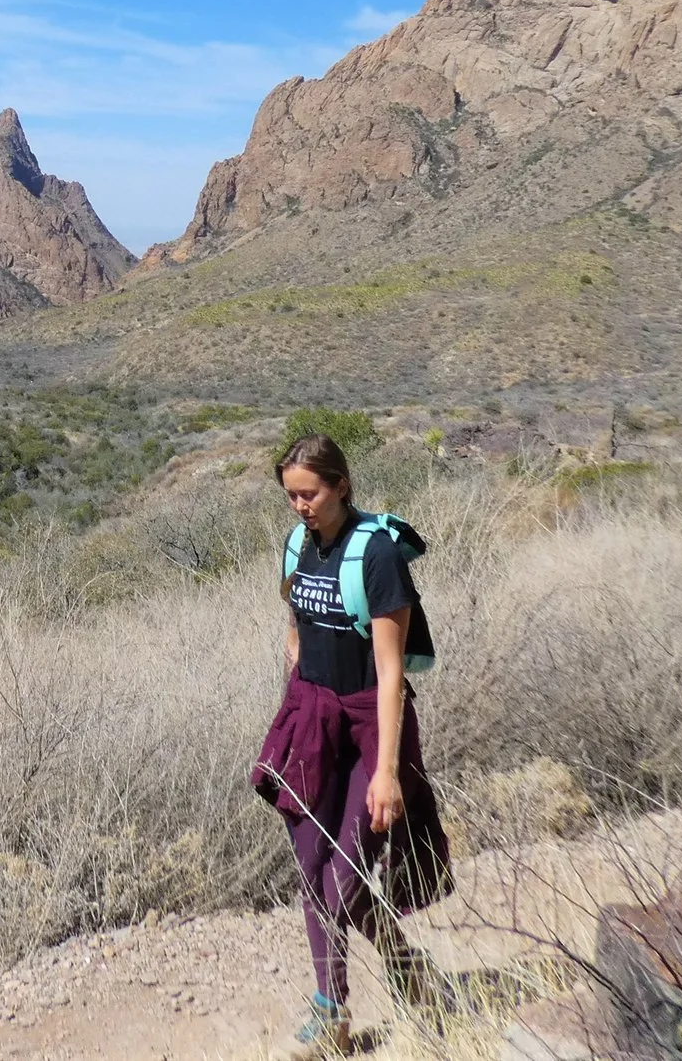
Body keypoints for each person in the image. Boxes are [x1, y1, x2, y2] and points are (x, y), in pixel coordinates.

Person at [251, 431, 453, 1054]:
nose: (300, 507)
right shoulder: (296, 545)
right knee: (313, 869)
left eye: (310, 494)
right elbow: (295, 619)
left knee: (340, 878)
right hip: (313, 717)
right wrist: (297, 675)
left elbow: (392, 671)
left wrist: (387, 772)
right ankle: (338, 1010)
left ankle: (393, 979)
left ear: (341, 485)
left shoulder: (378, 555)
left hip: (370, 723)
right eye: (291, 496)